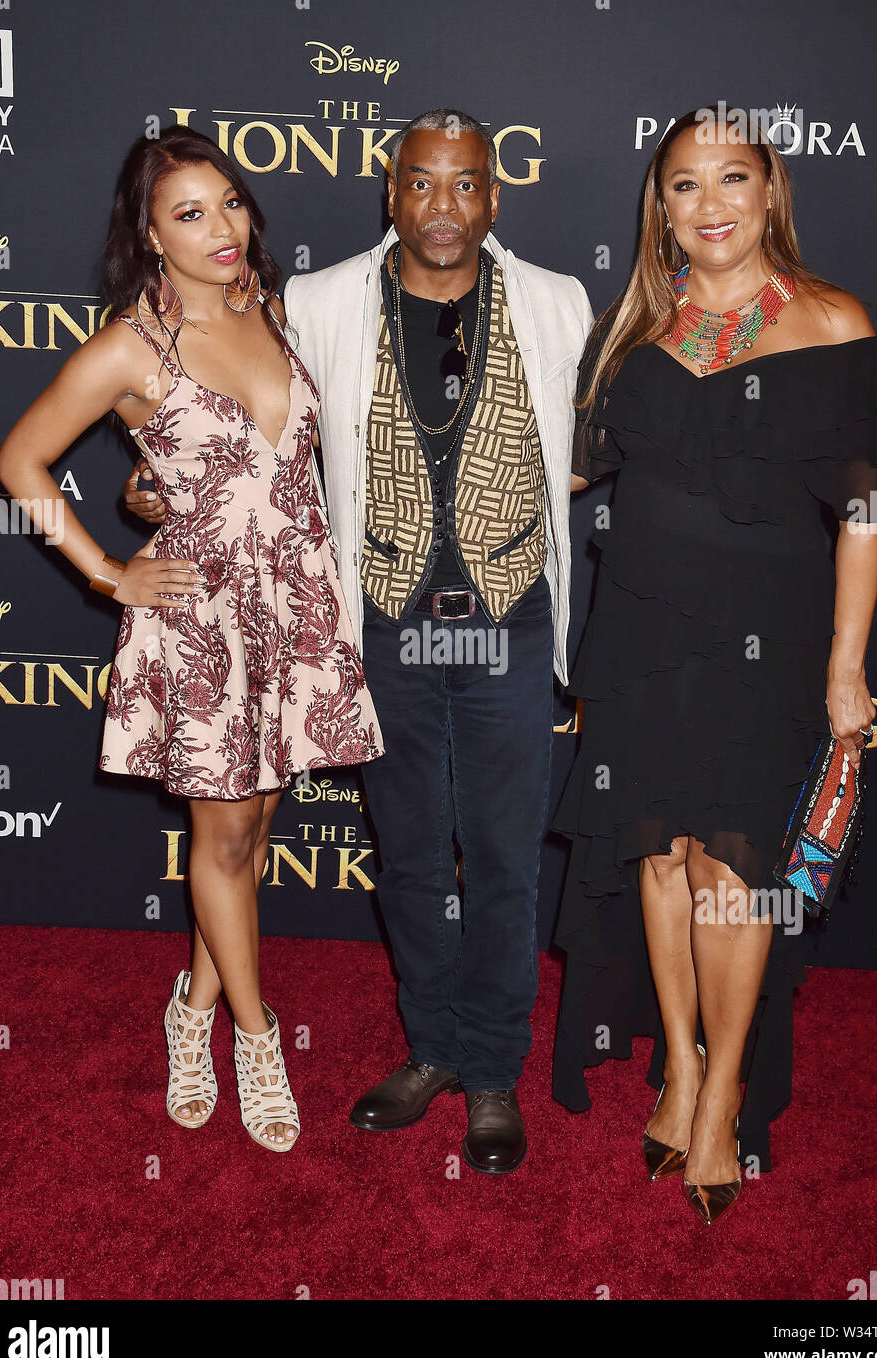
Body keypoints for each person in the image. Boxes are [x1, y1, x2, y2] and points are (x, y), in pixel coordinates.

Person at [128, 108, 593, 1174]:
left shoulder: (557, 303)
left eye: (464, 183)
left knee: (506, 864)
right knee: (415, 858)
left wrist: (515, 498)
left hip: (508, 625)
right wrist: (150, 486)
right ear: (390, 193)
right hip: (376, 623)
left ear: (492, 193)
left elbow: (596, 440)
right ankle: (430, 1050)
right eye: (420, 184)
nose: (442, 205)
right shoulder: (321, 301)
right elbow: (232, 419)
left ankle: (490, 1075)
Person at [553, 105, 877, 1223]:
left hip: (771, 637)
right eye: (682, 185)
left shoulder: (832, 320)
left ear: (769, 193)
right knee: (660, 860)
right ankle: (682, 1065)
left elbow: (863, 514)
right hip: (642, 633)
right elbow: (565, 473)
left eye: (730, 180)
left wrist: (846, 670)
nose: (707, 205)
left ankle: (722, 1102)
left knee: (735, 873)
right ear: (658, 205)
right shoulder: (633, 333)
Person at [0, 126, 382, 1155]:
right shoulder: (132, 345)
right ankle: (253, 1037)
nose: (221, 227)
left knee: (252, 831)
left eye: (230, 202)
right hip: (202, 618)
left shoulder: (273, 306)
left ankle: (189, 1001)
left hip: (296, 602)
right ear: (150, 234)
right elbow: (21, 461)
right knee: (219, 838)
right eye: (190, 213)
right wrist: (108, 567)